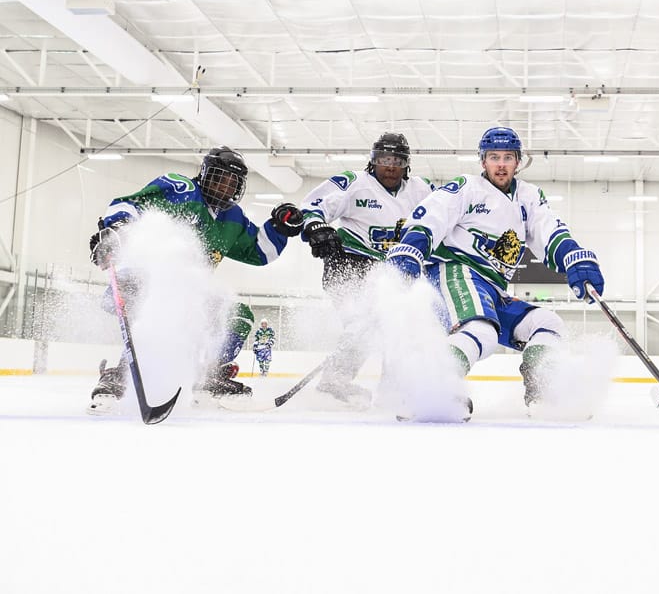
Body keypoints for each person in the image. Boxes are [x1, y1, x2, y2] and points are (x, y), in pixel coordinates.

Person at [385, 126, 605, 420]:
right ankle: (432, 387)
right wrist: (412, 248)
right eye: (494, 157)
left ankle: (542, 393)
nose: (501, 164)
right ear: (483, 161)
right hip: (456, 271)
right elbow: (434, 215)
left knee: (547, 323)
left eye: (507, 157)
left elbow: (548, 230)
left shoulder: (529, 197)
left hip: (492, 288)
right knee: (481, 331)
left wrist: (574, 260)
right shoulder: (467, 188)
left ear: (518, 161)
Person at [87, 146, 303, 413]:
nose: (225, 186)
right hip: (139, 280)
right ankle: (117, 377)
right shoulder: (181, 189)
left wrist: (280, 227)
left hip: (189, 297)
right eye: (219, 178)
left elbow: (259, 252)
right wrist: (115, 232)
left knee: (238, 315)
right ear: (204, 173)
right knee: (156, 310)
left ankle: (210, 377)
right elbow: (129, 204)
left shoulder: (232, 218)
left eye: (232, 182)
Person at [298, 132, 435, 405]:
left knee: (400, 326)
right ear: (373, 161)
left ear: (406, 164)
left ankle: (394, 388)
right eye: (385, 159)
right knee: (362, 322)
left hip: (391, 272)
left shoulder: (422, 190)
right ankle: (334, 380)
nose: (391, 166)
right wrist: (317, 227)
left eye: (397, 160)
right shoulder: (354, 183)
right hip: (348, 264)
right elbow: (311, 206)